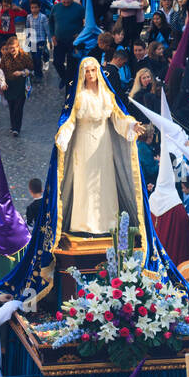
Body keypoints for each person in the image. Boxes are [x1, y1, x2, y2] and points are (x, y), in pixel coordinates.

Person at [55, 56, 145, 242]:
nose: (90, 74)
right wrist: (63, 135)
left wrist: (132, 125)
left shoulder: (106, 94)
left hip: (103, 144)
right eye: (87, 71)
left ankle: (107, 224)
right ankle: (83, 224)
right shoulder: (79, 96)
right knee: (85, 181)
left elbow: (118, 117)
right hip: (84, 142)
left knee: (104, 181)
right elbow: (70, 120)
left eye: (93, 70)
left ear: (98, 72)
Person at [0, 33, 32, 137]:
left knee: (19, 106)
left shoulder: (24, 56)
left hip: (21, 84)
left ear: (18, 47)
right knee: (12, 106)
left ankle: (17, 128)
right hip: (9, 85)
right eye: (9, 48)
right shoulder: (5, 57)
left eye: (13, 48)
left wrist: (22, 72)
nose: (11, 50)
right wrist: (2, 82)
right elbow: (1, 70)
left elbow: (31, 69)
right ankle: (13, 126)